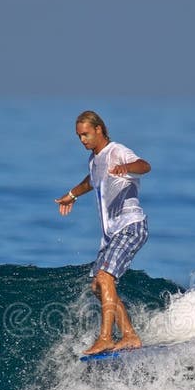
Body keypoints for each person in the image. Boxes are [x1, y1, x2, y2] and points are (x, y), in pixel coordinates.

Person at [55, 110, 151, 355]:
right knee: (97, 286)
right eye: (79, 136)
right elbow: (92, 180)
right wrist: (72, 194)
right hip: (111, 234)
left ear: (99, 129)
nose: (82, 140)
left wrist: (126, 167)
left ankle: (106, 337)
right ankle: (129, 335)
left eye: (86, 134)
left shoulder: (117, 151)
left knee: (106, 278)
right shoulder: (94, 159)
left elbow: (145, 165)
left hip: (130, 226)